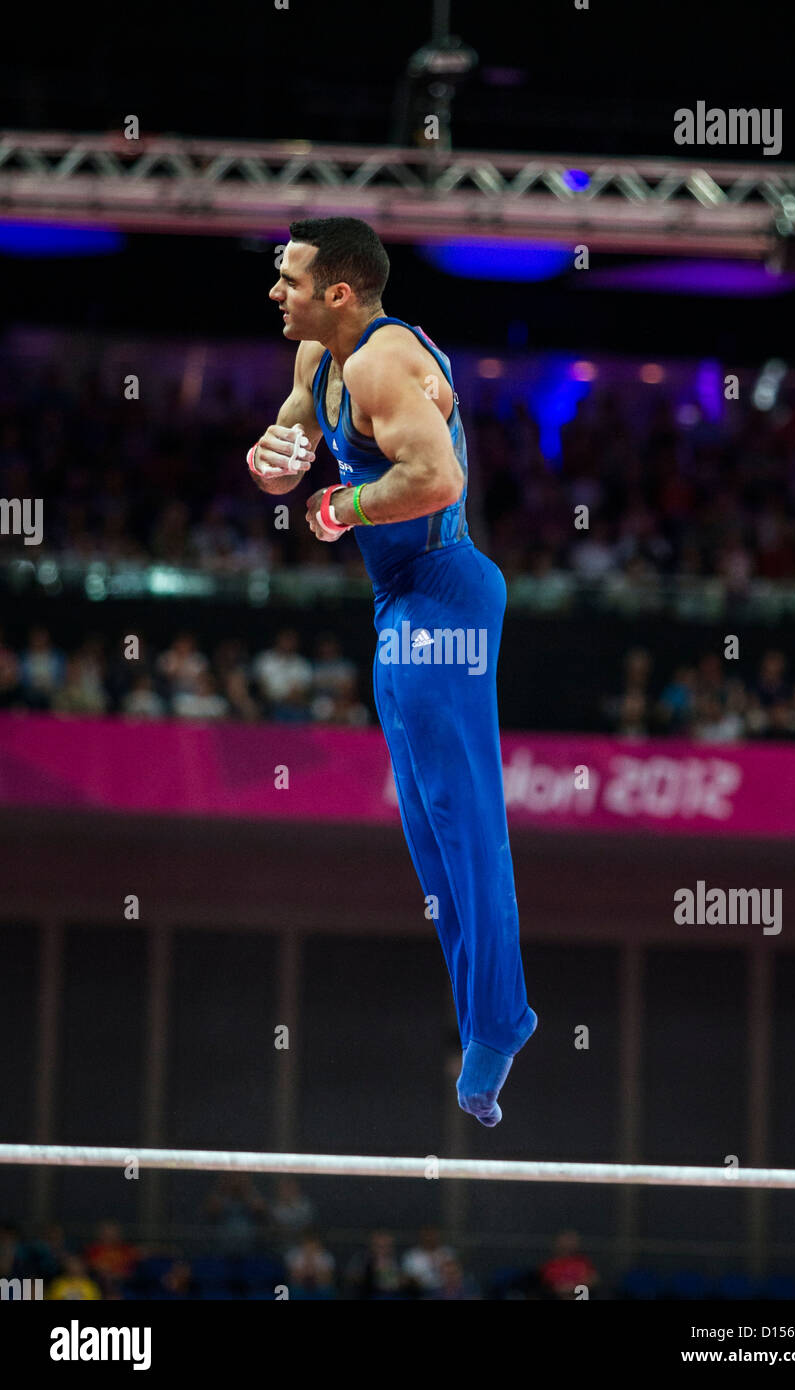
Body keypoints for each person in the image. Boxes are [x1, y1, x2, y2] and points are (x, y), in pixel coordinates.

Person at [249, 217, 536, 1124]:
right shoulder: (318, 361)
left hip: (445, 594)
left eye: (290, 279)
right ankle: (488, 1018)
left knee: (463, 817)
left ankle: (499, 1026)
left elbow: (440, 478)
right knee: (424, 825)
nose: (274, 292)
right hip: (399, 598)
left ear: (339, 292)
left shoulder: (380, 363)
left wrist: (341, 506)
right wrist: (275, 464)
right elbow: (291, 444)